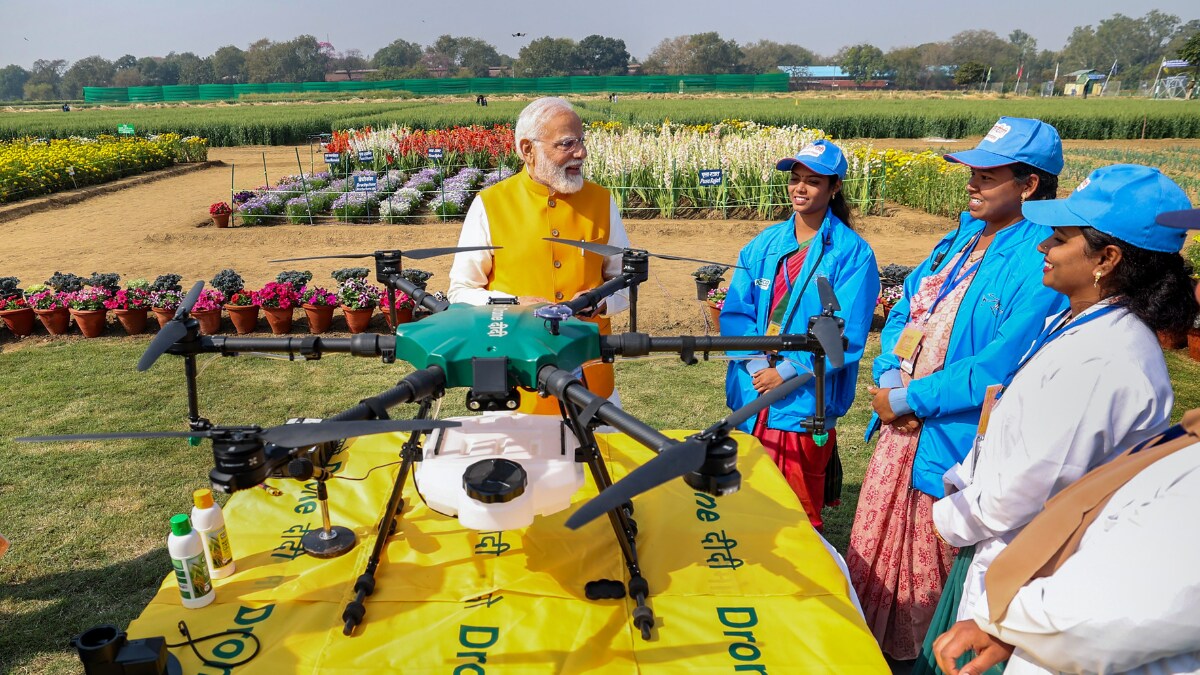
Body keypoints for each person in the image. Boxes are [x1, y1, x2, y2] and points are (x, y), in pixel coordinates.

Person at [919, 167, 1199, 674]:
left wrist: (945, 520)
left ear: (1106, 260)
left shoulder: (1103, 360)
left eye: (1061, 237)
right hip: (1010, 556)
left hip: (1029, 569)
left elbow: (1027, 486)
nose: (1042, 246)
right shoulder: (1080, 323)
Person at [846, 117, 1068, 661]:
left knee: (928, 573)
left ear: (1029, 185)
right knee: (875, 559)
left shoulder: (1042, 256)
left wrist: (909, 399)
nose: (972, 184)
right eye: (972, 172)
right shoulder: (963, 235)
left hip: (949, 439)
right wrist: (891, 374)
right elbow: (906, 307)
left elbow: (1000, 362)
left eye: (987, 175)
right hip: (902, 428)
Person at [721, 139, 880, 530]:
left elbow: (846, 334)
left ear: (835, 187)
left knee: (795, 515)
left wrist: (787, 372)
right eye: (795, 180)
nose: (800, 189)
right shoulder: (764, 244)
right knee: (746, 505)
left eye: (812, 181)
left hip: (804, 403)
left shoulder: (853, 254)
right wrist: (758, 362)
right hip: (753, 390)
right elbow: (736, 310)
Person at [448, 97, 630, 415]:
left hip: (592, 385)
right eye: (566, 143)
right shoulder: (490, 205)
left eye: (581, 142)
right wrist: (514, 305)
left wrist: (602, 301)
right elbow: (460, 293)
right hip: (511, 387)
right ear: (528, 149)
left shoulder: (601, 201)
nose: (581, 153)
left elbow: (626, 279)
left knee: (599, 463)